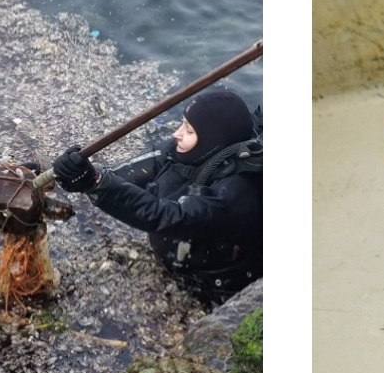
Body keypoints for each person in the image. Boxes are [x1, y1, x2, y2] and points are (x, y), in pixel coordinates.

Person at [53, 88, 263, 305]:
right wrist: (70, 176)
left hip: (214, 290)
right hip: (179, 259)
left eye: (189, 130)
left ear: (214, 139)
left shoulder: (234, 195)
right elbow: (128, 172)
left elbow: (164, 215)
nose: (177, 134)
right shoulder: (194, 149)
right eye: (182, 123)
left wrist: (94, 183)